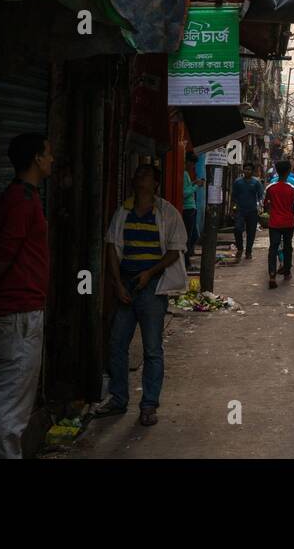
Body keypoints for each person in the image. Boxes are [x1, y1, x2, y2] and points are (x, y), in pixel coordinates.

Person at [0, 132, 53, 459]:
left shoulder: (17, 197)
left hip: (12, 312)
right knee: (12, 409)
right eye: (48, 154)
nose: (51, 159)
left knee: (8, 400)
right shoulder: (21, 202)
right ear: (36, 158)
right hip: (18, 314)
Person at [95, 163, 187, 427]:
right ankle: (118, 398)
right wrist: (116, 283)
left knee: (152, 349)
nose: (137, 176)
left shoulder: (166, 212)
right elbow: (112, 247)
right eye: (137, 173)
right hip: (126, 284)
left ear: (155, 183)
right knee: (116, 345)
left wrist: (149, 273)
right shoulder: (123, 211)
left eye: (143, 174)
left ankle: (148, 405)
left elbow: (175, 249)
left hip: (152, 288)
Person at [264, 159, 294, 289]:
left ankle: (272, 275)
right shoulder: (293, 188)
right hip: (288, 222)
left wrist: (272, 212)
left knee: (273, 248)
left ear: (277, 171)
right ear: (289, 171)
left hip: (274, 223)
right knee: (288, 247)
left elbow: (266, 205)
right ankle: (287, 272)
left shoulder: (270, 188)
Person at [231, 161, 265, 261]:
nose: (247, 171)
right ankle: (240, 248)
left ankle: (248, 251)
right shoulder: (238, 182)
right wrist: (232, 209)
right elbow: (234, 196)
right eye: (246, 169)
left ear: (252, 171)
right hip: (240, 210)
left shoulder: (256, 182)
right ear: (243, 170)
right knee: (237, 229)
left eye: (249, 169)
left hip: (252, 211)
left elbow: (260, 196)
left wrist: (260, 207)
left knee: (251, 232)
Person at [182, 151, 204, 271]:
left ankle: (187, 261)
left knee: (193, 236)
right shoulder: (183, 173)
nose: (193, 166)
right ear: (188, 162)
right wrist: (196, 186)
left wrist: (193, 183)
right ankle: (186, 263)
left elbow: (186, 187)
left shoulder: (185, 174)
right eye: (193, 163)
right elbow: (184, 193)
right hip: (187, 209)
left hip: (190, 208)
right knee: (189, 237)